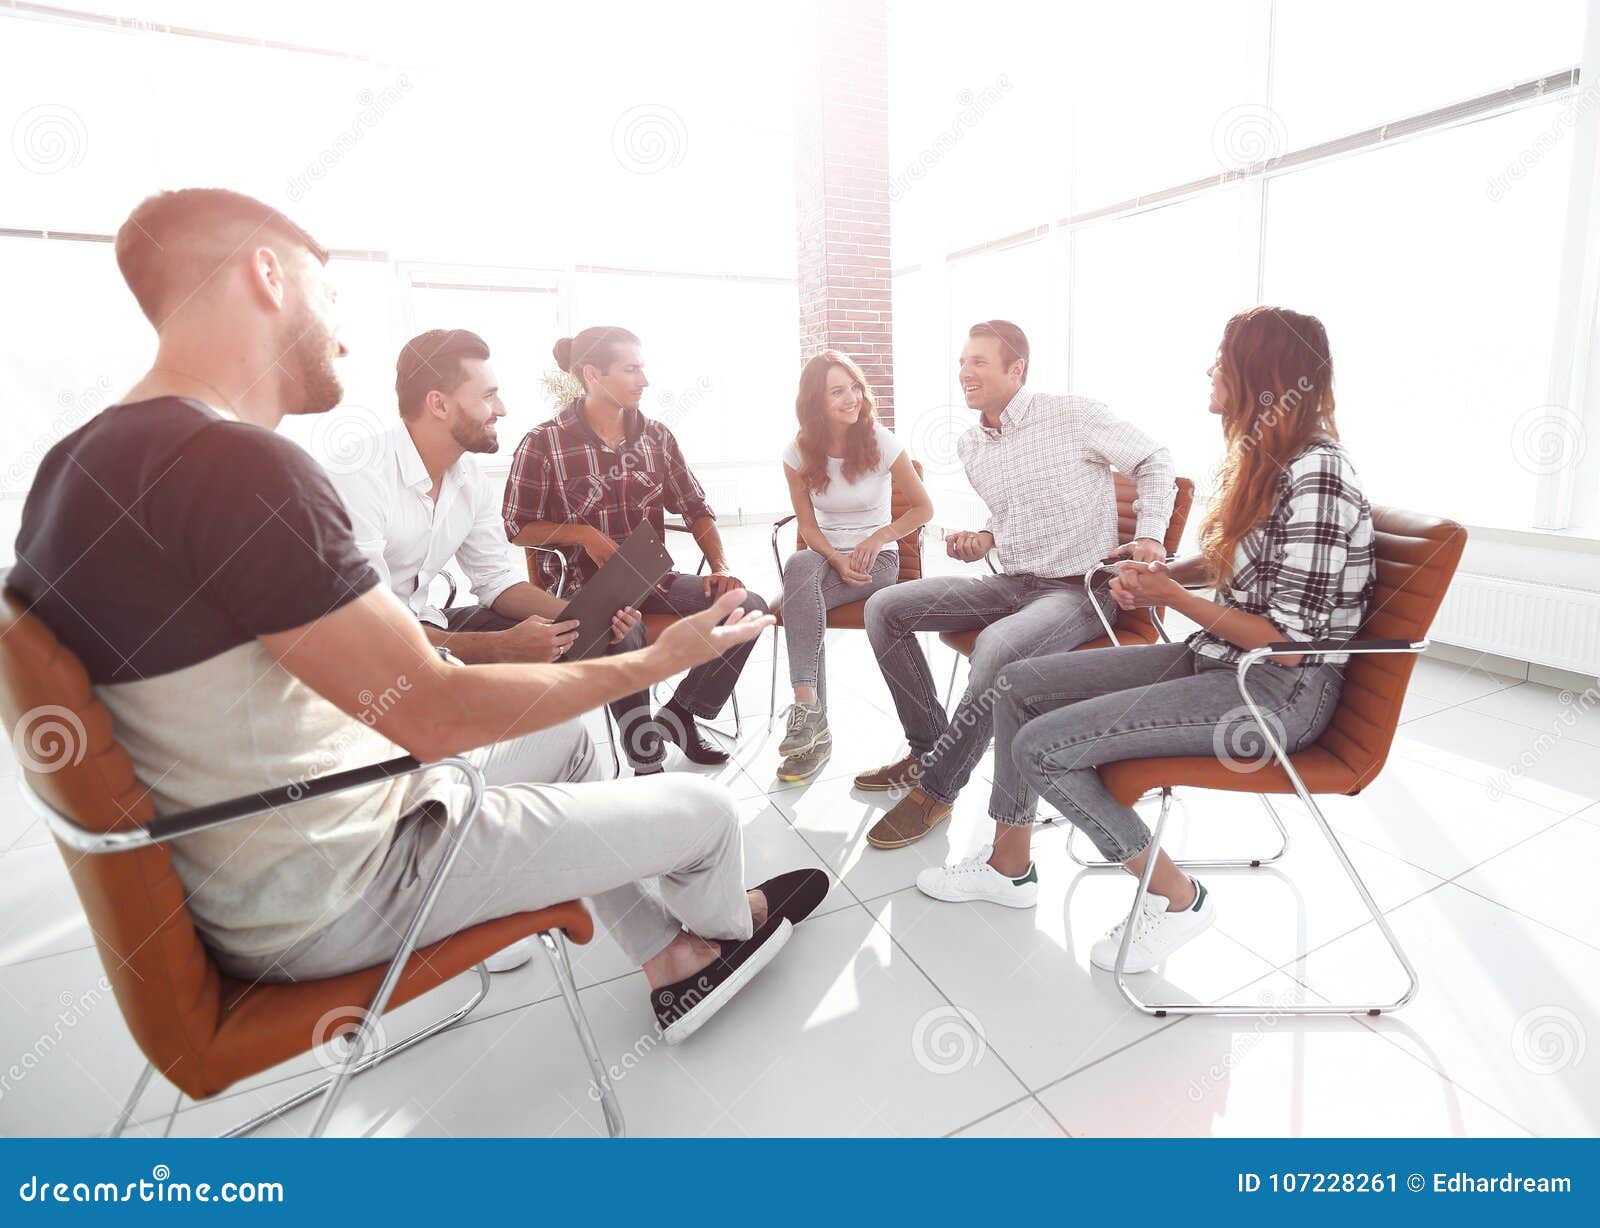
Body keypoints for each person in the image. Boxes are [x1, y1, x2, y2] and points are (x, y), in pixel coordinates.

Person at [9, 188, 826, 1044]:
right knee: (707, 818)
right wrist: (661, 659)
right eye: (327, 296)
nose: (343, 334)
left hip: (240, 870)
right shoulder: (239, 467)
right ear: (264, 274)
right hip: (335, 886)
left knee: (580, 744)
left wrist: (561, 634)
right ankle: (724, 927)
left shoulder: (76, 467)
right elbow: (428, 710)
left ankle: (671, 959)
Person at [920, 307, 1372, 976]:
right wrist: (1165, 572)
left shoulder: (1317, 475)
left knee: (1040, 747)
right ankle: (1009, 868)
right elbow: (1231, 566)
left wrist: (1173, 598)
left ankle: (1178, 897)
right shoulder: (1263, 461)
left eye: (1224, 358)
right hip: (1218, 662)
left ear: (1263, 373)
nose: (1212, 370)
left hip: (1277, 692)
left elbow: (1290, 644)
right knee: (1017, 682)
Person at [854, 320, 1177, 851]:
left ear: (1016, 369)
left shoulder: (1073, 414)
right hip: (1010, 582)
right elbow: (1014, 514)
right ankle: (929, 746)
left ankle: (937, 789)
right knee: (885, 607)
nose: (965, 373)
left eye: (978, 362)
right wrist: (983, 538)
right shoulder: (971, 444)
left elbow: (1155, 458)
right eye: (962, 362)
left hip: (1079, 591)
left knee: (996, 649)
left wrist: (1149, 535)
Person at [331, 329, 654, 791]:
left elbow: (497, 582)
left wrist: (584, 616)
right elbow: (371, 635)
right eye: (489, 396)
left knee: (608, 630)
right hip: (370, 661)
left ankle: (636, 760)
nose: (501, 410)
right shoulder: (358, 477)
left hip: (428, 622)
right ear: (439, 404)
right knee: (541, 702)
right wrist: (498, 649)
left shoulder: (470, 480)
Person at [502, 327, 769, 769]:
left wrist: (720, 565)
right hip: (582, 593)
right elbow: (517, 527)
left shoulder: (657, 438)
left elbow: (695, 508)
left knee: (746, 606)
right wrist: (582, 534)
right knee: (627, 632)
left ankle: (682, 714)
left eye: (643, 368)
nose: (644, 379)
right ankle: (646, 756)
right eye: (632, 368)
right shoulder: (543, 443)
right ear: (592, 374)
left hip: (650, 578)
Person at [775, 350, 931, 781]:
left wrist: (877, 537)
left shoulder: (882, 441)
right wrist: (836, 559)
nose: (852, 398)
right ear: (814, 402)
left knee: (797, 602)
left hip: (876, 560)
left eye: (855, 387)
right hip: (826, 557)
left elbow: (923, 509)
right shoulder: (796, 453)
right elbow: (807, 525)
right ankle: (809, 711)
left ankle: (810, 728)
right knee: (800, 565)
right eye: (837, 392)